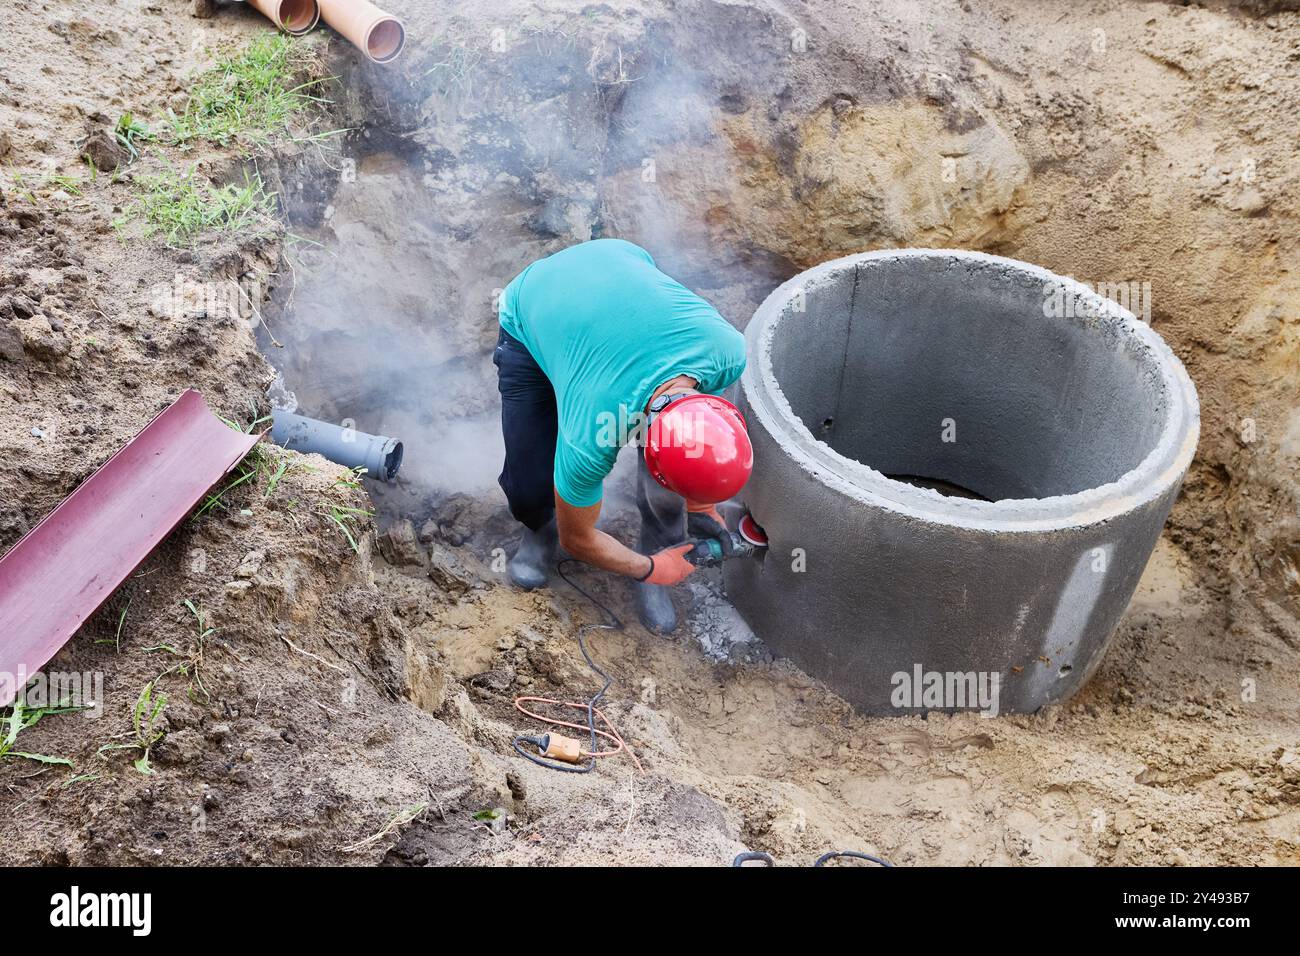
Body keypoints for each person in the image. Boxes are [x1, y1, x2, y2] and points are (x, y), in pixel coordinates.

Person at [493, 238, 753, 633]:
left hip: (619, 259)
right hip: (533, 311)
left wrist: (703, 505)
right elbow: (578, 539)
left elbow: (705, 431)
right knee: (529, 483)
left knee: (664, 499)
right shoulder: (592, 432)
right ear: (643, 443)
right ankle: (539, 531)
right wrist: (650, 569)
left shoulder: (727, 350)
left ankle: (659, 542)